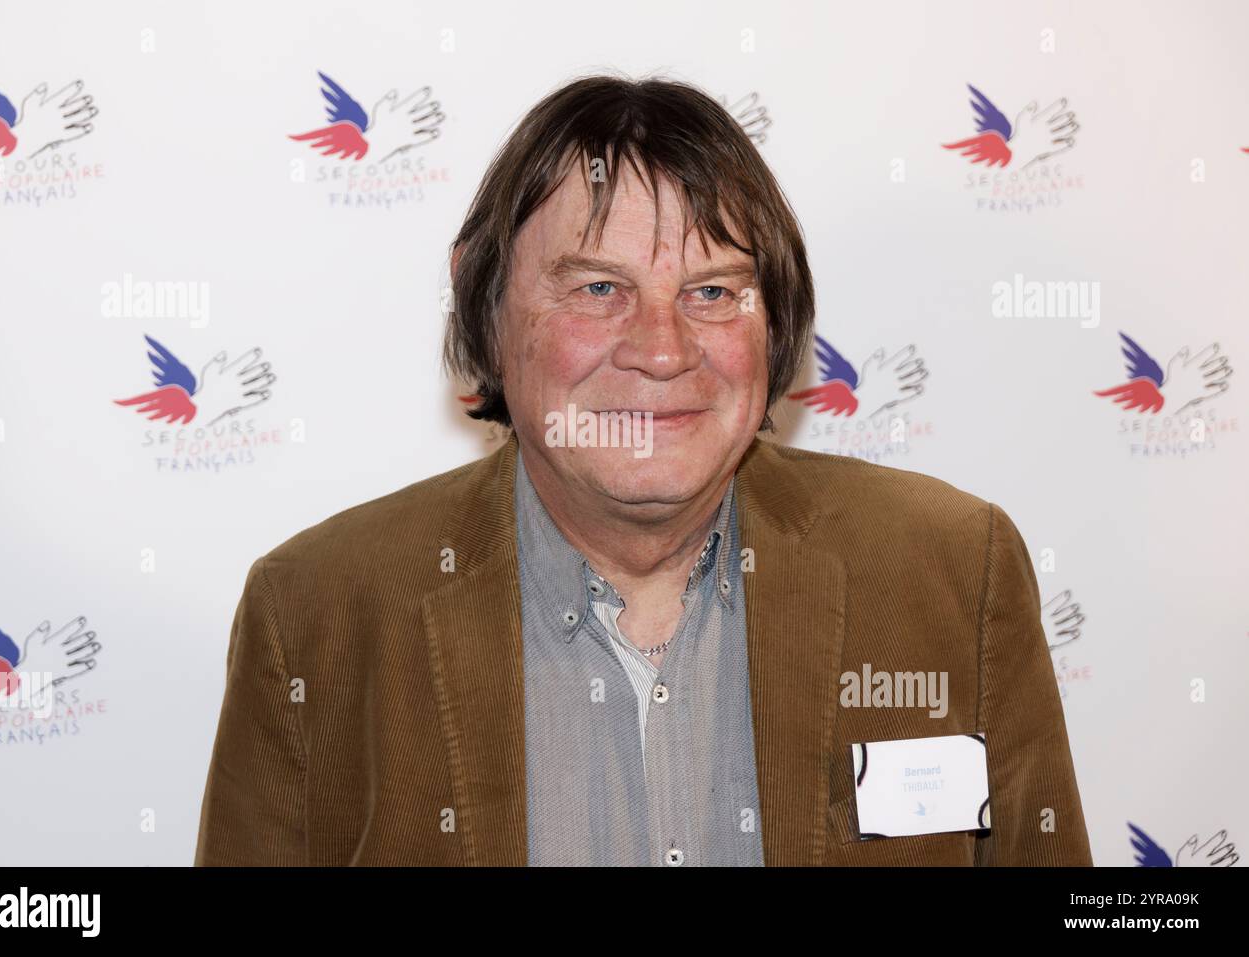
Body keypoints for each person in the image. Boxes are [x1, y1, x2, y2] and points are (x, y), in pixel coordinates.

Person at [194, 74, 1091, 866]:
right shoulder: (316, 615)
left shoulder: (950, 572)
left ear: (774, 327)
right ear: (487, 309)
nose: (663, 351)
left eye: (711, 293)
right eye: (597, 289)